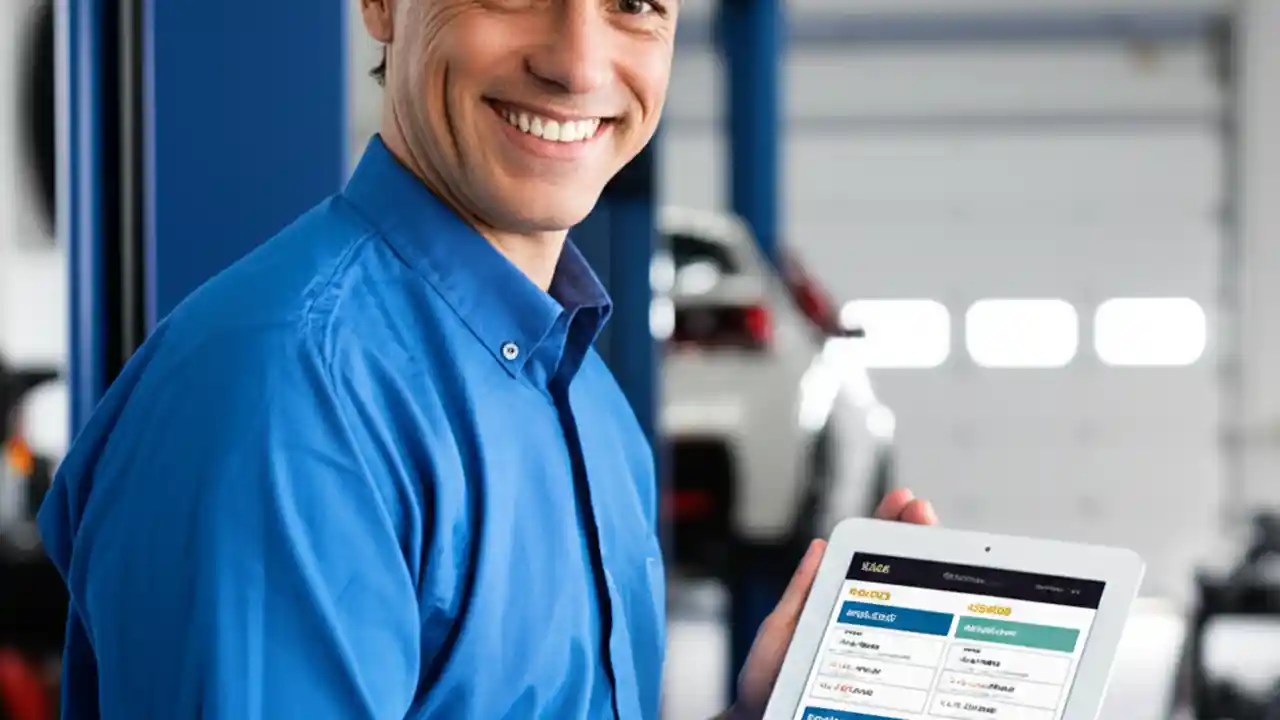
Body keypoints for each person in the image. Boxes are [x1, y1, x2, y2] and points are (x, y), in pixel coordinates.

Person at [37, 1, 938, 718]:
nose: (579, 62)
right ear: (383, 5)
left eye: (633, 5)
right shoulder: (290, 399)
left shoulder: (586, 397)